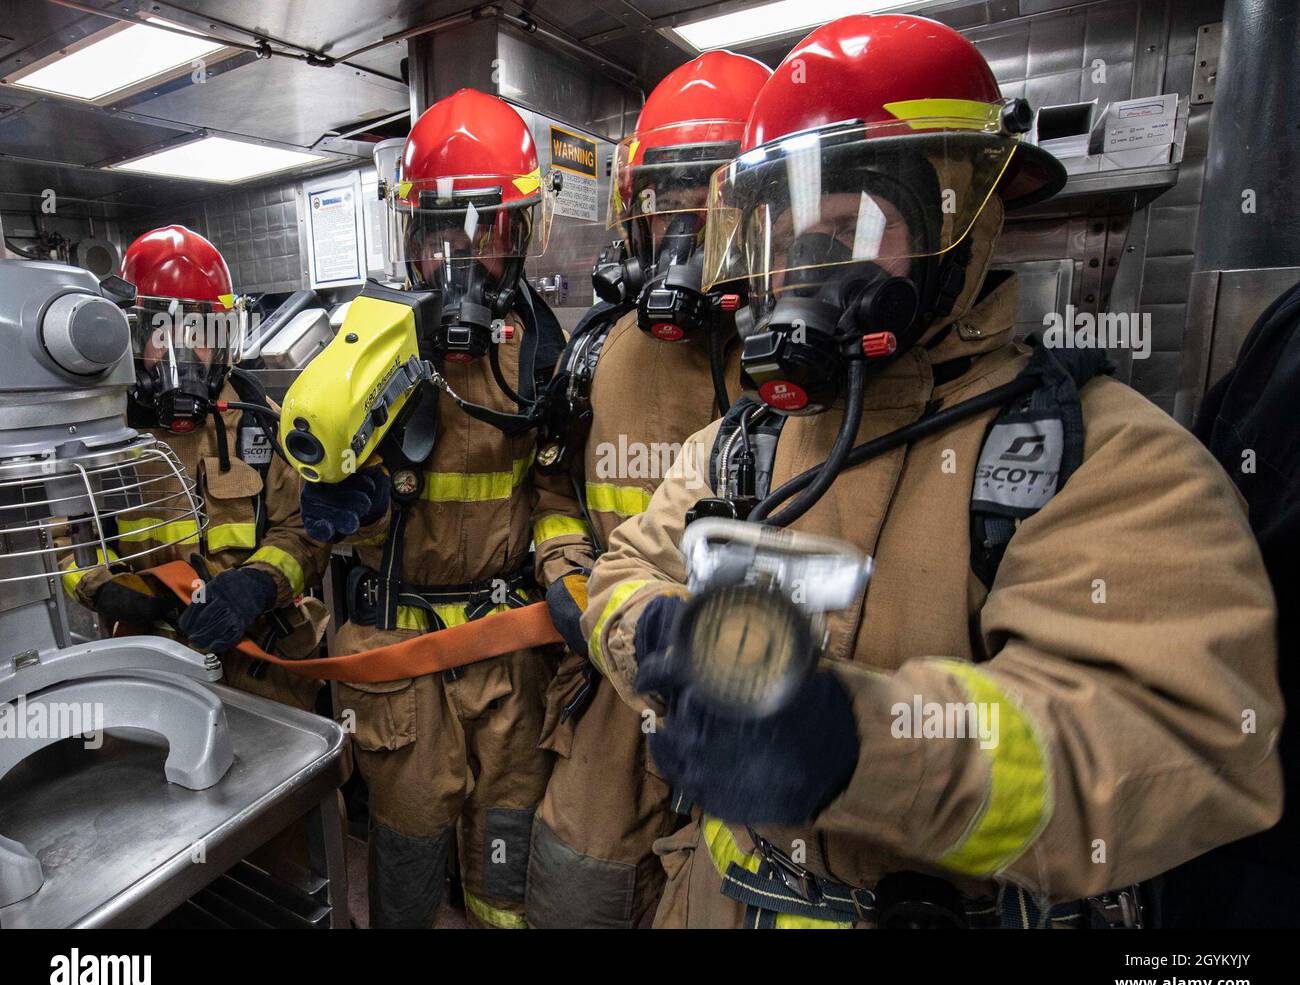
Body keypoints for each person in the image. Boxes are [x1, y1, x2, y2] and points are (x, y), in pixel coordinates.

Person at [582, 13, 1284, 929]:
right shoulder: (741, 443)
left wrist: (860, 745)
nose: (808, 273)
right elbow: (621, 570)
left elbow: (1186, 744)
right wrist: (658, 638)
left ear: (964, 225)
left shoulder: (1100, 457)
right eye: (788, 239)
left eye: (854, 225)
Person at [297, 88, 567, 929]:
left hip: (507, 664)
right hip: (398, 668)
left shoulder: (545, 357)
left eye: (485, 233)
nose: (458, 260)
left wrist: (568, 575)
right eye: (438, 234)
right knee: (406, 870)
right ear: (409, 241)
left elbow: (555, 491)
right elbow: (308, 514)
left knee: (503, 869)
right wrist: (343, 503)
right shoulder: (361, 354)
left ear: (518, 240)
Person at [526, 50, 771, 928]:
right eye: (664, 200)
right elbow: (551, 485)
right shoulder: (598, 354)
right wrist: (563, 571)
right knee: (575, 885)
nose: (681, 229)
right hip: (613, 677)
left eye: (708, 201)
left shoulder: (803, 373)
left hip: (754, 702)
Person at [65, 224, 324, 713]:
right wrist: (105, 591)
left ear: (224, 337)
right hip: (149, 669)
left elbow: (304, 530)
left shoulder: (258, 419)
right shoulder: (98, 433)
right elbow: (64, 542)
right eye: (160, 331)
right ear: (131, 335)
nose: (181, 351)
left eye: (199, 330)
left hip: (261, 664)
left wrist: (258, 584)